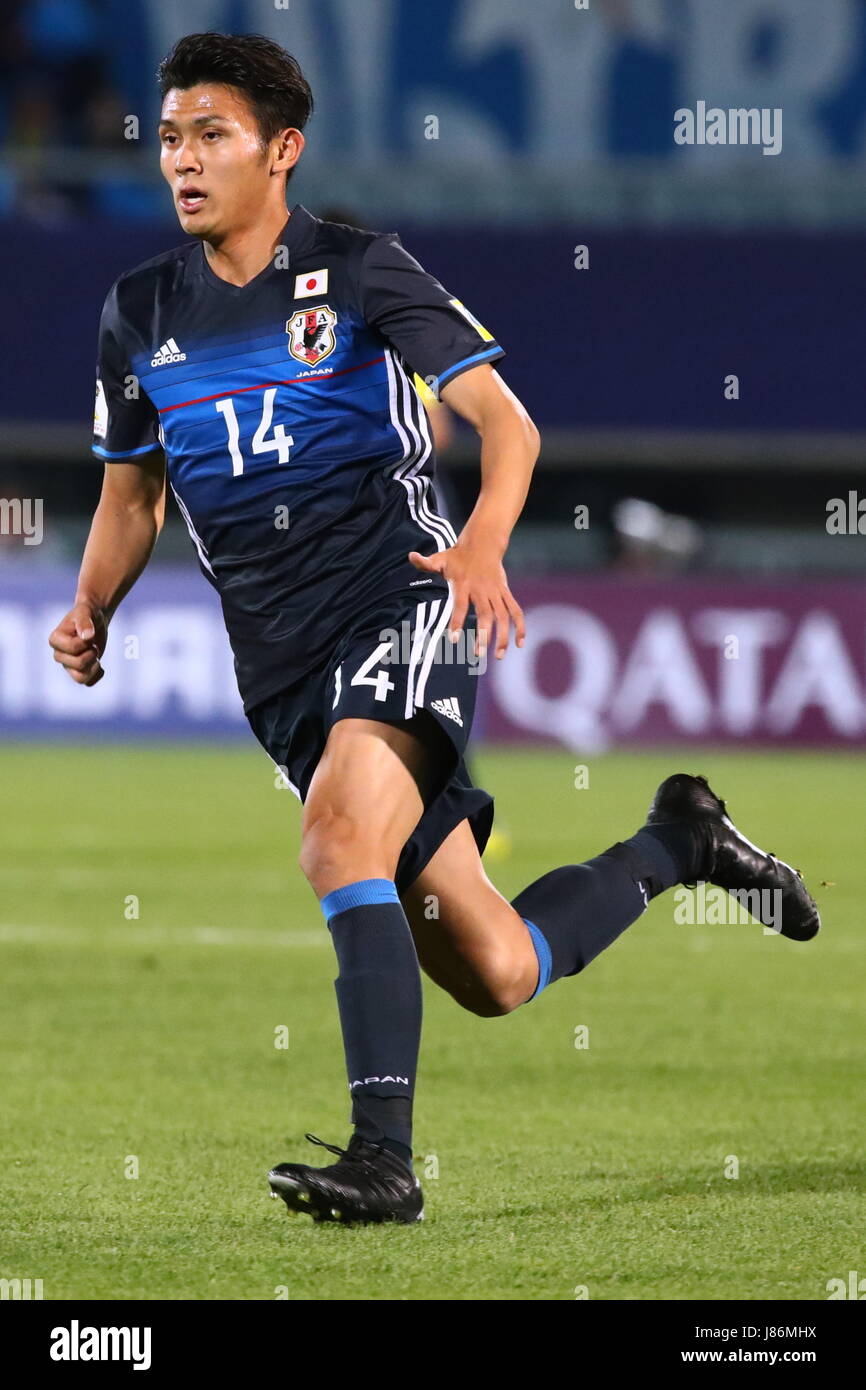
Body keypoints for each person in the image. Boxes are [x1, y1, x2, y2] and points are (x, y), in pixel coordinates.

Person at [48, 31, 820, 1227]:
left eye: (212, 134)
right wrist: (92, 606)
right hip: (284, 668)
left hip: (402, 600)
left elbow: (505, 425)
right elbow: (131, 495)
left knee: (337, 835)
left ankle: (381, 1160)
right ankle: (680, 841)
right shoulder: (138, 309)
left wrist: (480, 546)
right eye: (169, 137)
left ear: (280, 150)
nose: (182, 160)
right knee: (499, 970)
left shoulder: (359, 270)